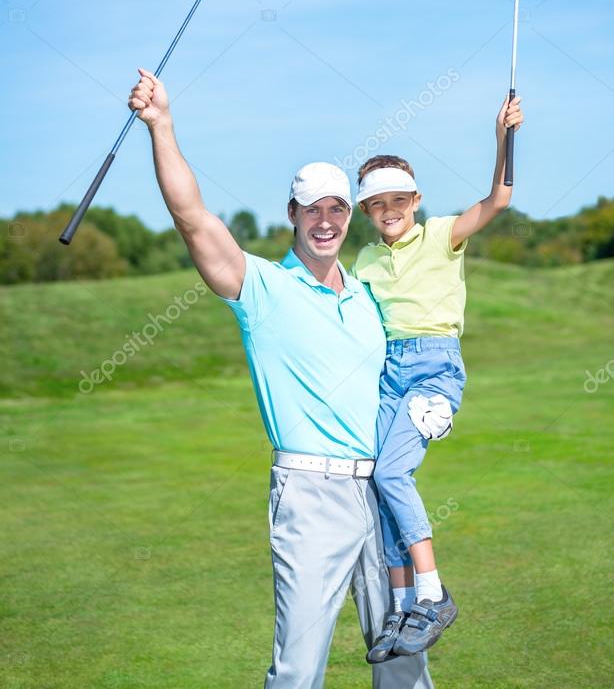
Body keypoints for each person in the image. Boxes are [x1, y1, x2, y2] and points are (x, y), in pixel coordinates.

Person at [128, 66, 435, 689]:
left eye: (337, 208)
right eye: (312, 209)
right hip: (309, 496)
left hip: (378, 494)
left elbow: (425, 348)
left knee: (404, 665)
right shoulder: (263, 286)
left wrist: (435, 402)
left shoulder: (370, 296)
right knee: (298, 670)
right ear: (292, 213)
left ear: (350, 215)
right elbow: (193, 218)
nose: (326, 221)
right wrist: (161, 125)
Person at [352, 95, 524, 663]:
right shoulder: (365, 263)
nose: (389, 211)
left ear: (416, 199)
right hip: (388, 373)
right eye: (376, 205)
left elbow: (499, 198)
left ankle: (433, 594)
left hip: (433, 366)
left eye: (398, 200)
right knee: (377, 484)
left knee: (394, 472)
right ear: (367, 211)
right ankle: (402, 605)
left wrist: (502, 137)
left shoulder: (443, 234)